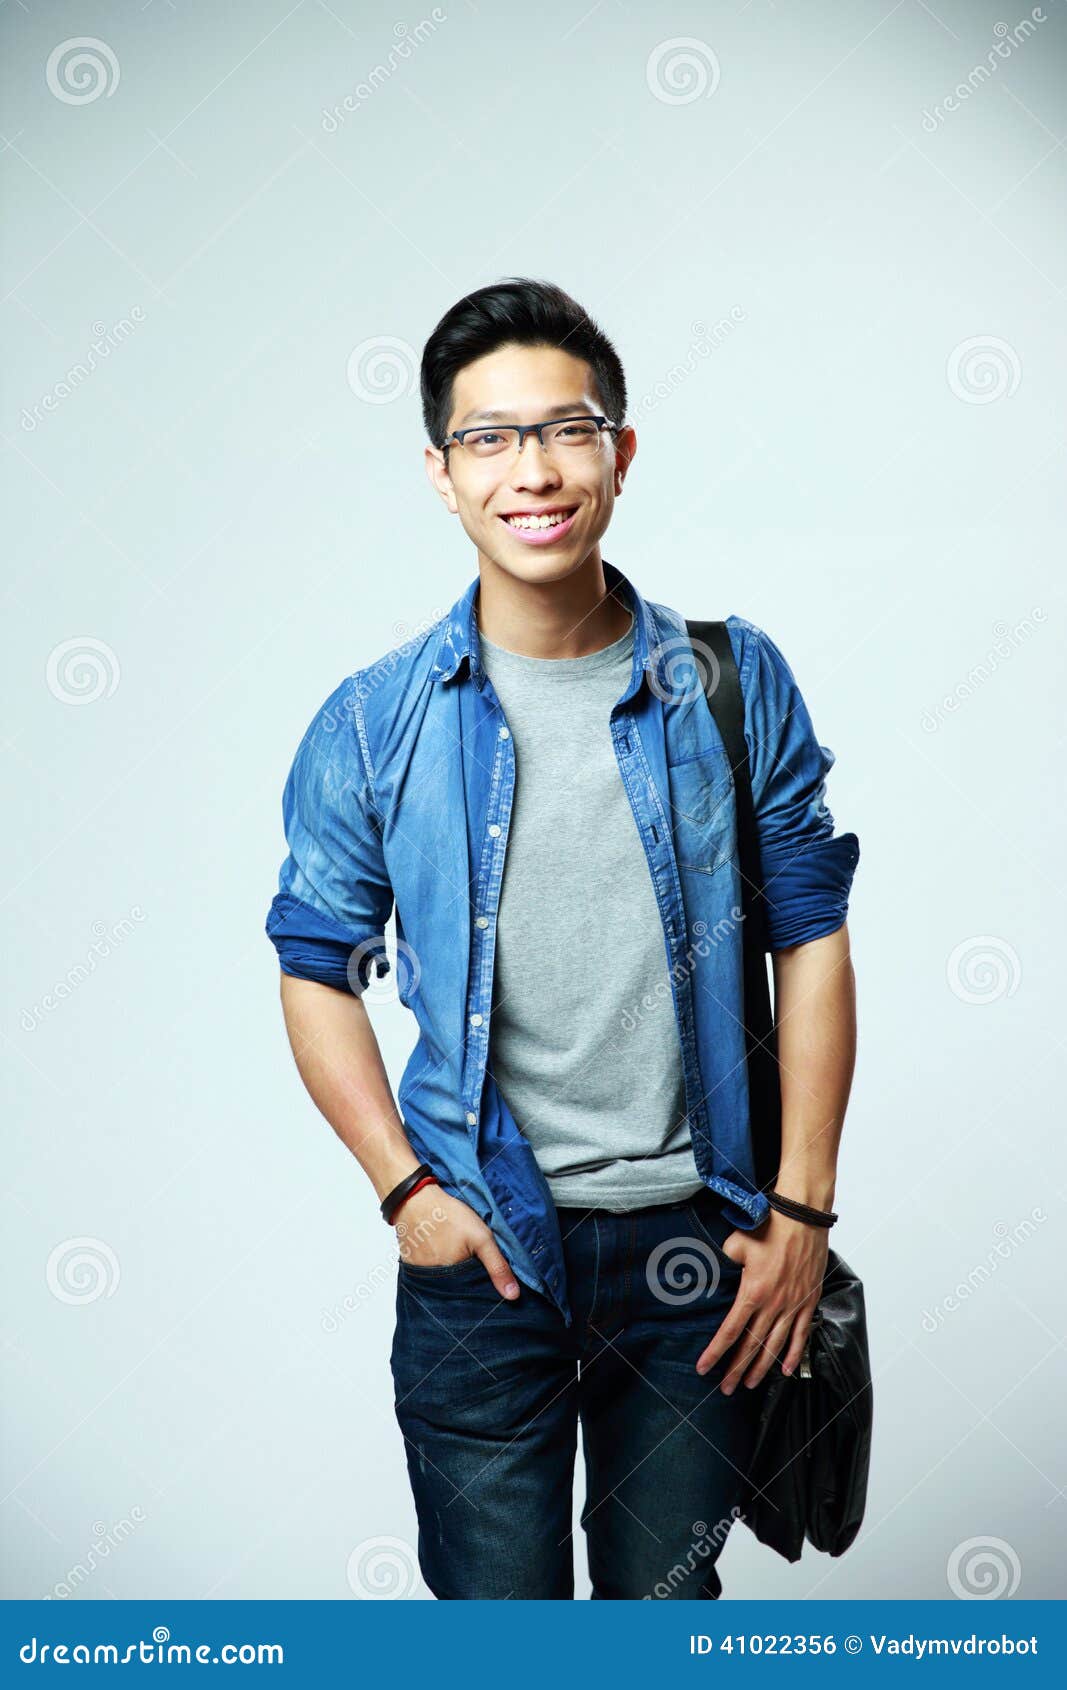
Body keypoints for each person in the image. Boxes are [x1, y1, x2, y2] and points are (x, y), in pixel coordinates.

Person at [265, 278, 860, 1599]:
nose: (530, 469)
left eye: (566, 430)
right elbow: (315, 968)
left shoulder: (725, 680)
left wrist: (804, 1207)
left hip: (696, 1261)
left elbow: (811, 938)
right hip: (486, 1259)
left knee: (662, 1641)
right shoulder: (375, 721)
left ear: (620, 453)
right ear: (441, 470)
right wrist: (404, 1190)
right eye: (488, 437)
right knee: (501, 1649)